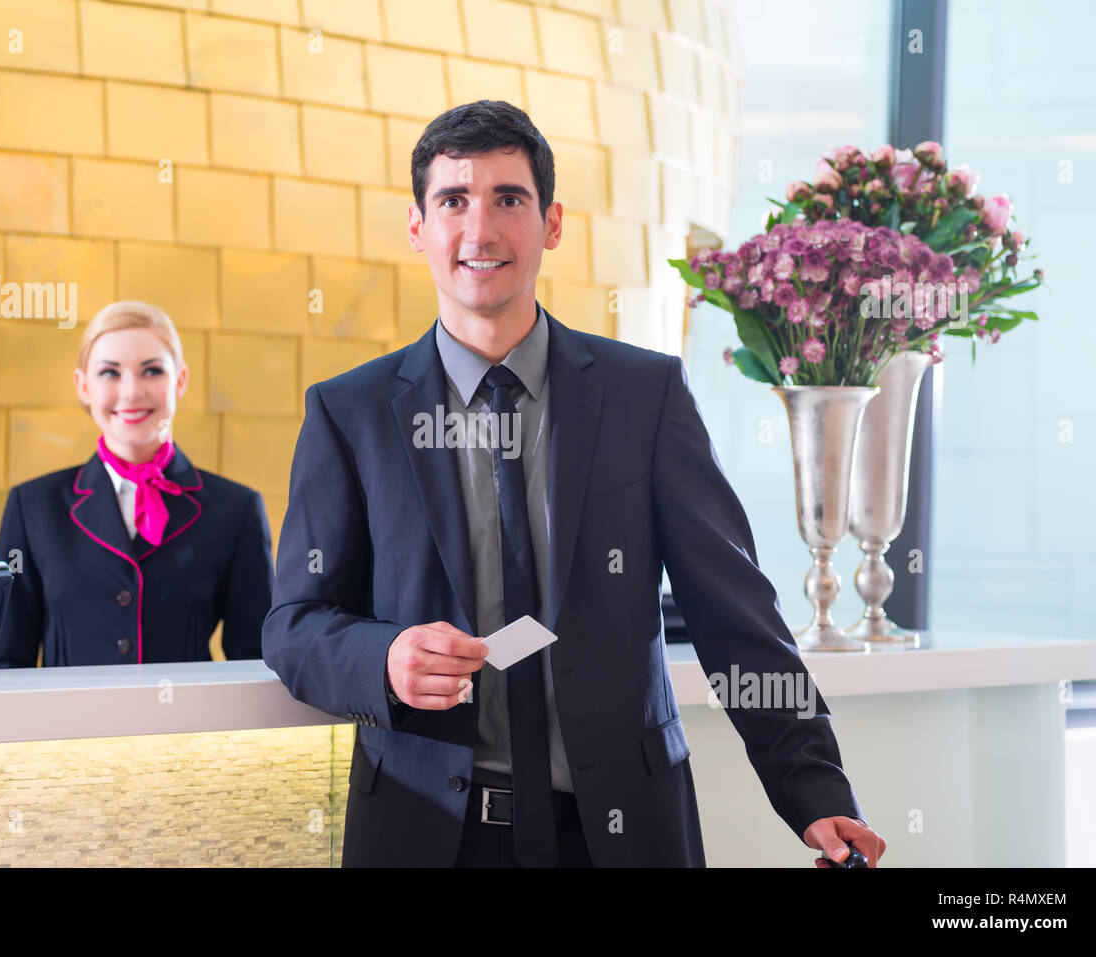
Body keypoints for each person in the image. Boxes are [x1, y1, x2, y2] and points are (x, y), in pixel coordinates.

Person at [262, 100, 887, 867]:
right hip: (427, 834)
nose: (480, 230)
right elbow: (293, 622)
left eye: (509, 200)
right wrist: (382, 658)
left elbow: (737, 617)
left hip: (623, 833)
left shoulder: (645, 395)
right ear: (418, 227)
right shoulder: (348, 412)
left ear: (552, 223)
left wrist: (815, 790)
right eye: (453, 200)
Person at [0, 300, 274, 667]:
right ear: (83, 386)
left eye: (152, 371)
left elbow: (257, 662)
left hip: (186, 724)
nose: (131, 392)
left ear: (180, 381)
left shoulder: (236, 509)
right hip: (70, 725)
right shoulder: (32, 507)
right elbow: (5, 662)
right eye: (110, 373)